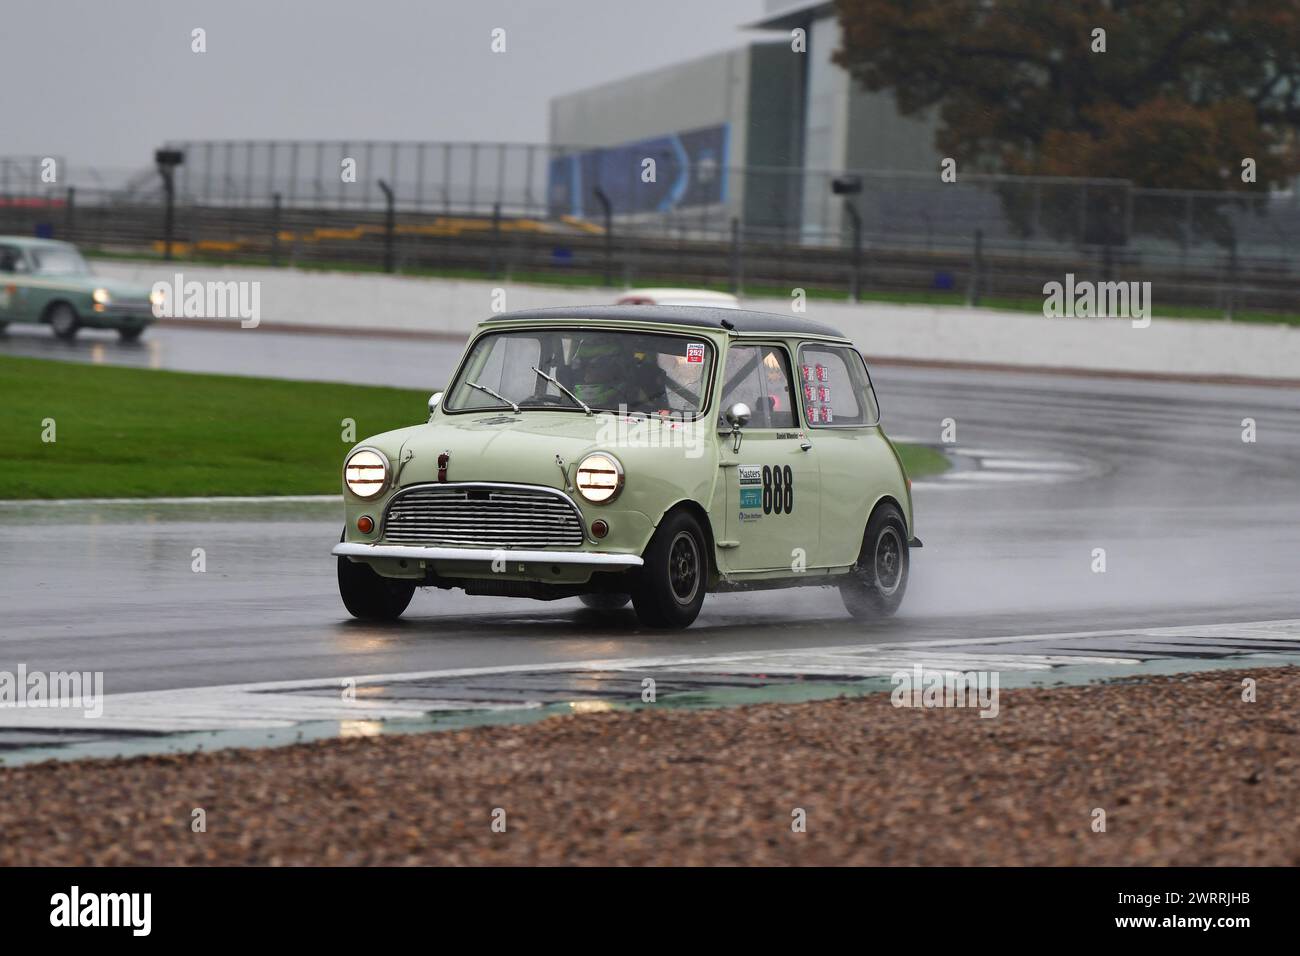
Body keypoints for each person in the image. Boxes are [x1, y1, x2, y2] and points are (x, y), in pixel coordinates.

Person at [569, 336, 669, 413]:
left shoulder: (643, 407)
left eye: (597, 365)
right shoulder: (566, 397)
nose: (586, 372)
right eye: (582, 364)